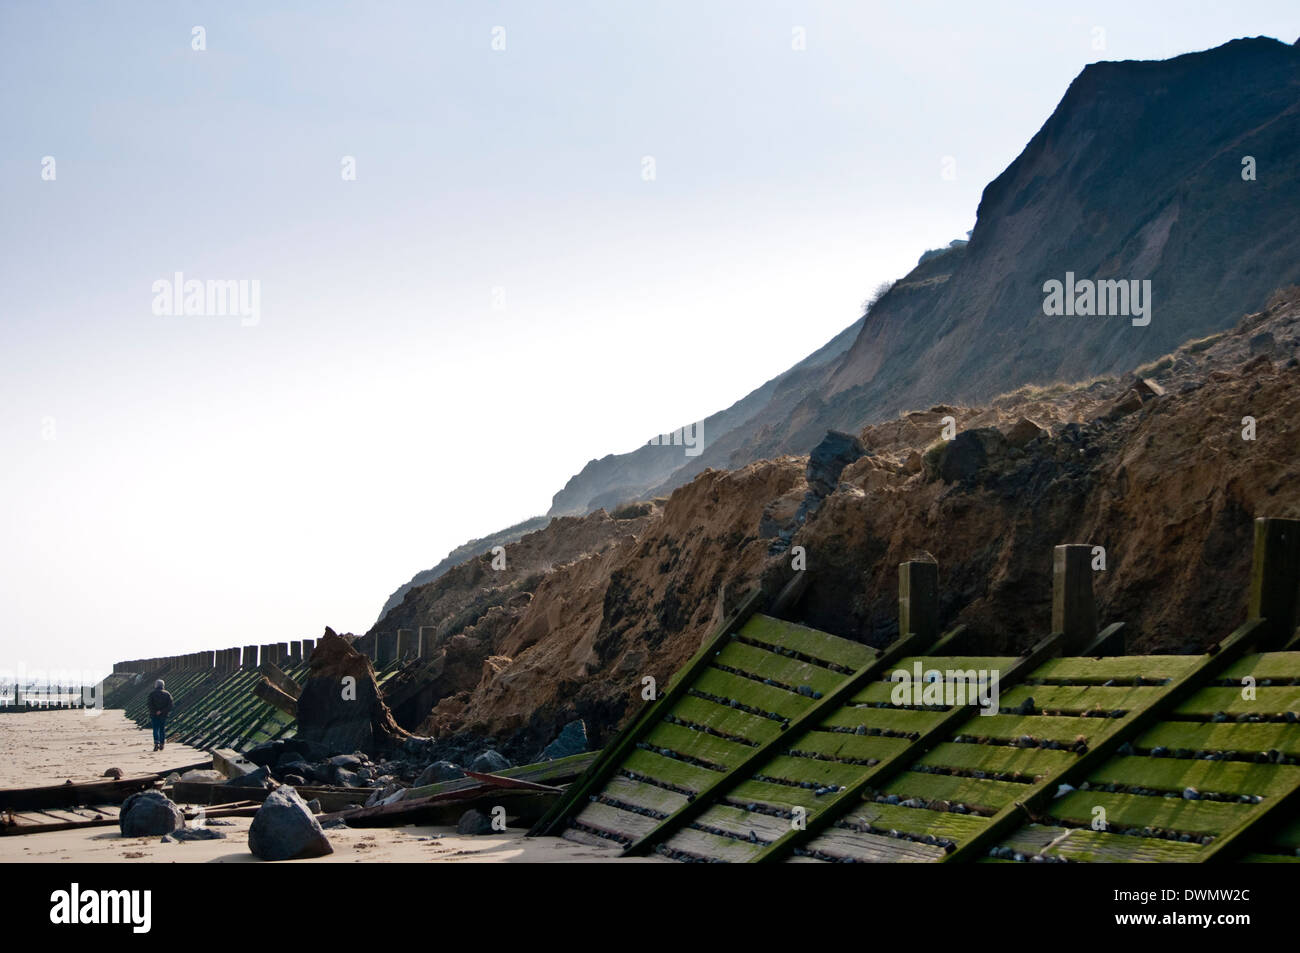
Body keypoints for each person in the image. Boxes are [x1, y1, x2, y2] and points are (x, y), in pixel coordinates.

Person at [148, 679, 173, 751]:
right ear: (163, 685)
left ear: (156, 685)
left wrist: (155, 711)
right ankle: (162, 744)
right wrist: (161, 711)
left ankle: (156, 743)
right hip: (163, 715)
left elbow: (149, 704)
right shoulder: (167, 694)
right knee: (162, 729)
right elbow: (170, 705)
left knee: (155, 729)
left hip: (154, 714)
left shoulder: (152, 694)